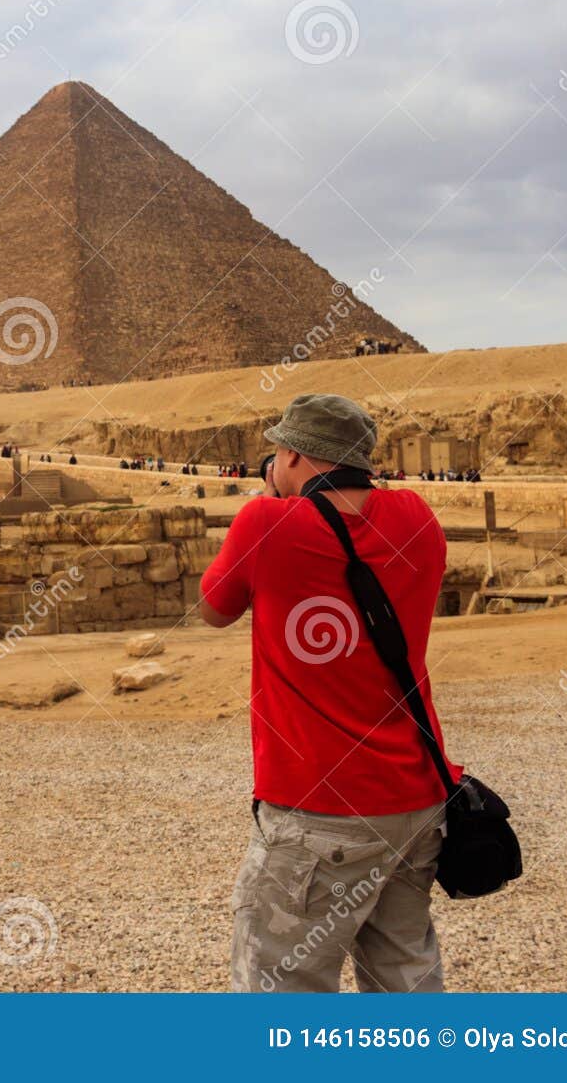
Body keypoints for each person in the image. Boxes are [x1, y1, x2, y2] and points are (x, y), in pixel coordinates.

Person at [199, 393, 456, 994]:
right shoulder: (417, 518)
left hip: (318, 809)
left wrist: (270, 502)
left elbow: (214, 609)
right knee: (406, 985)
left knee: (282, 989)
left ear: (291, 453)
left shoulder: (267, 524)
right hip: (414, 800)